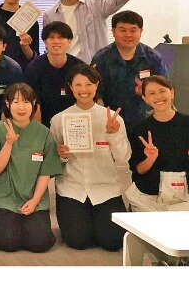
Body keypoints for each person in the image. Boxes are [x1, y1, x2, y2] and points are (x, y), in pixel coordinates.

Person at [49, 64, 130, 251]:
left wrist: (113, 134)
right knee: (77, 241)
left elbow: (123, 158)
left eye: (89, 84)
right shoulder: (59, 119)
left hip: (105, 188)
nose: (83, 90)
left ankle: (97, 222)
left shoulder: (113, 118)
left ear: (96, 85)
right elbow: (52, 161)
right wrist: (61, 155)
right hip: (72, 188)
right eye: (78, 85)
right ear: (70, 87)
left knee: (113, 241)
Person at [0, 83, 61, 253]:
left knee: (40, 243)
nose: (21, 107)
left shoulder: (43, 133)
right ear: (7, 104)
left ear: (33, 104)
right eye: (16, 102)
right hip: (5, 199)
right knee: (7, 243)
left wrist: (34, 201)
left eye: (26, 102)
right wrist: (9, 143)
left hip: (34, 198)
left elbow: (45, 173)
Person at [125, 76, 189, 212]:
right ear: (145, 99)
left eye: (162, 91)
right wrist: (150, 159)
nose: (158, 97)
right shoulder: (140, 128)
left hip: (186, 198)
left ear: (171, 93)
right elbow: (138, 169)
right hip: (148, 199)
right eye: (151, 93)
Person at [91, 10, 168, 132]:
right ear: (113, 31)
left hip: (147, 122)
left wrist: (147, 91)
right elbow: (96, 94)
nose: (128, 35)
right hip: (112, 123)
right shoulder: (101, 58)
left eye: (133, 30)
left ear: (140, 31)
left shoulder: (152, 57)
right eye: (122, 30)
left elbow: (165, 89)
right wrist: (105, 120)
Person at [44, 0, 132, 63]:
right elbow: (49, 46)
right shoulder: (50, 15)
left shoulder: (96, 4)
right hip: (65, 67)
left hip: (94, 67)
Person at [24, 20, 80, 124]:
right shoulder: (34, 68)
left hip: (74, 124)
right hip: (45, 124)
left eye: (61, 37)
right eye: (51, 37)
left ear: (69, 41)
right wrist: (40, 132)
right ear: (45, 42)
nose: (56, 41)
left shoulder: (79, 68)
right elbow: (34, 104)